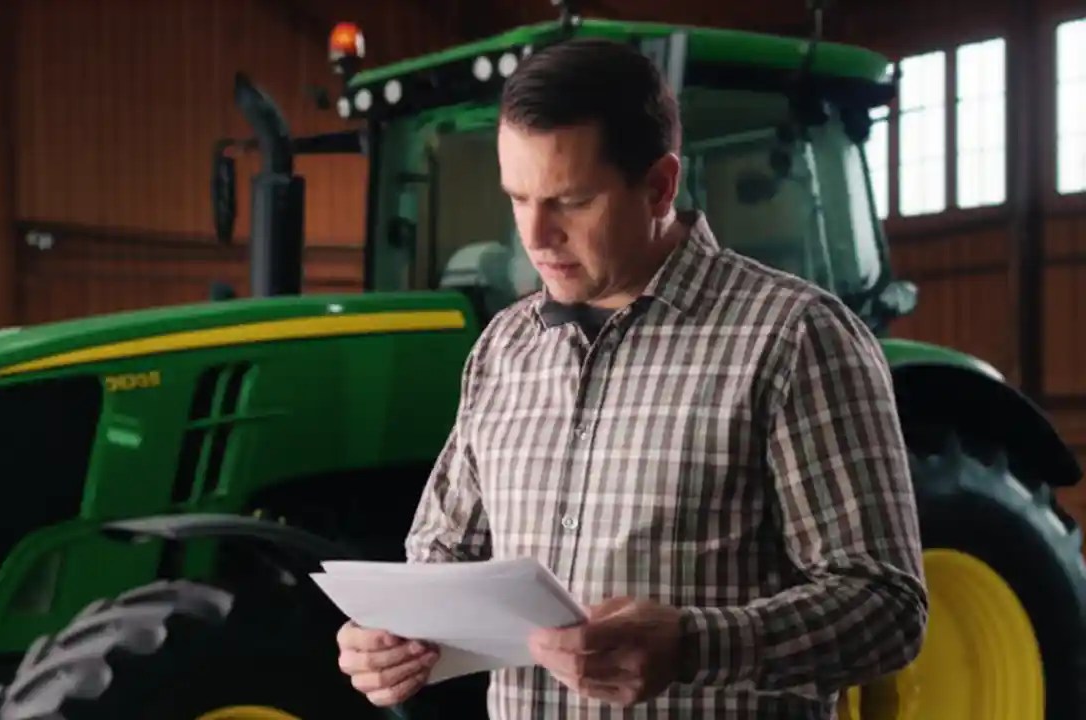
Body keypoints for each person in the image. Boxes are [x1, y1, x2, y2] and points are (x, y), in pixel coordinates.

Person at [335, 36, 927, 719]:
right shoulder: (504, 348)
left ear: (659, 186)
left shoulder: (794, 338)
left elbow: (888, 607)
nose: (535, 235)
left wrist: (695, 646)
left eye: (572, 201)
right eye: (518, 198)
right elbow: (440, 552)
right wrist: (386, 639)